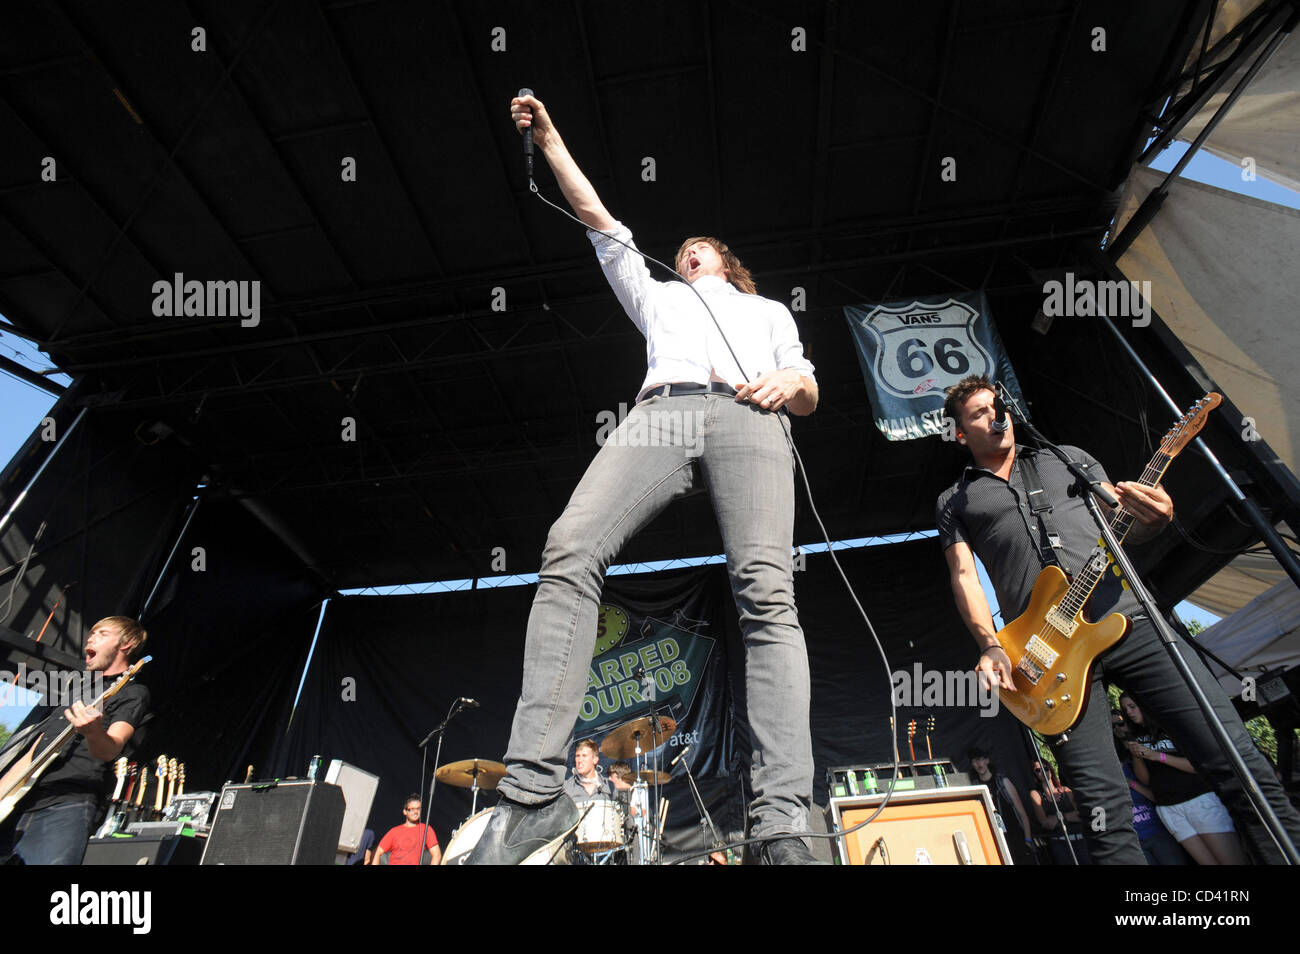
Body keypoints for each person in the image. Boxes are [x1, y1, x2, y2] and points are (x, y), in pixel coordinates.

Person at [468, 94, 820, 865]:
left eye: (702, 247)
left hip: (747, 417)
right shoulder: (657, 296)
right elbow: (600, 221)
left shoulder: (764, 313)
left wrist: (785, 388)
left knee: (766, 591)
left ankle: (783, 819)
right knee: (569, 547)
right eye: (683, 247)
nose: (688, 251)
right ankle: (533, 792)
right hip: (661, 413)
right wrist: (554, 142)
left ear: (727, 261)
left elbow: (809, 388)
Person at [936, 373, 1300, 863]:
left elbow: (1124, 519)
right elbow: (964, 576)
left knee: (1236, 760)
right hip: (1050, 653)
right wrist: (990, 644)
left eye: (997, 405)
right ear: (960, 433)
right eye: (978, 412)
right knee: (1104, 809)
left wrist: (1158, 515)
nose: (994, 414)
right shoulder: (955, 499)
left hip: (1129, 619)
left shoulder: (1067, 456)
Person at [2, 616, 150, 865]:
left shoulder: (132, 692)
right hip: (22, 797)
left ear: (127, 644)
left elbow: (111, 747)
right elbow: (38, 746)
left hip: (66, 804)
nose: (90, 638)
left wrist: (93, 732)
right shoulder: (77, 688)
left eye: (102, 633)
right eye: (91, 633)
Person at [1120, 693, 1245, 864]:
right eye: (1125, 709)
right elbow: (1145, 780)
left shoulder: (1171, 727)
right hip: (1168, 806)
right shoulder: (1137, 735)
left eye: (1132, 706)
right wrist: (1136, 756)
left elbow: (1199, 766)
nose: (1129, 712)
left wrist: (1159, 757)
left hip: (1197, 798)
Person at [1111, 706, 1188, 864]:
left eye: (1120, 723)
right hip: (1143, 828)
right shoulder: (1118, 756)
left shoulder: (1151, 740)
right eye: (1113, 727)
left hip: (1170, 809)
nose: (1117, 729)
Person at [967, 746, 1034, 864]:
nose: (979, 764)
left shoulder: (1003, 781)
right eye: (974, 761)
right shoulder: (975, 787)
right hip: (995, 840)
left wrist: (1028, 840)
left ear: (987, 761)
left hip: (1015, 837)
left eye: (980, 759)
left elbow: (1022, 813)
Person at [1027, 759, 1090, 864]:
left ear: (1050, 770)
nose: (1043, 772)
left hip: (1079, 839)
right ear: (1034, 774)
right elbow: (1046, 823)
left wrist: (1059, 818)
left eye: (1045, 768)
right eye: (1038, 770)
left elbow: (1080, 814)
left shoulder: (1066, 790)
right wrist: (1069, 816)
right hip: (1059, 843)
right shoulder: (1036, 795)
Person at [369, 795, 441, 865]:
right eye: (412, 809)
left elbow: (437, 854)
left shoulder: (426, 829)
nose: (415, 812)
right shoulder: (394, 831)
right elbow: (377, 852)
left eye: (418, 809)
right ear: (405, 812)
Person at [563, 739, 612, 805]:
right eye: (577, 756)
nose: (580, 760)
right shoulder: (566, 788)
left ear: (595, 760)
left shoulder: (609, 786)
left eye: (584, 756)